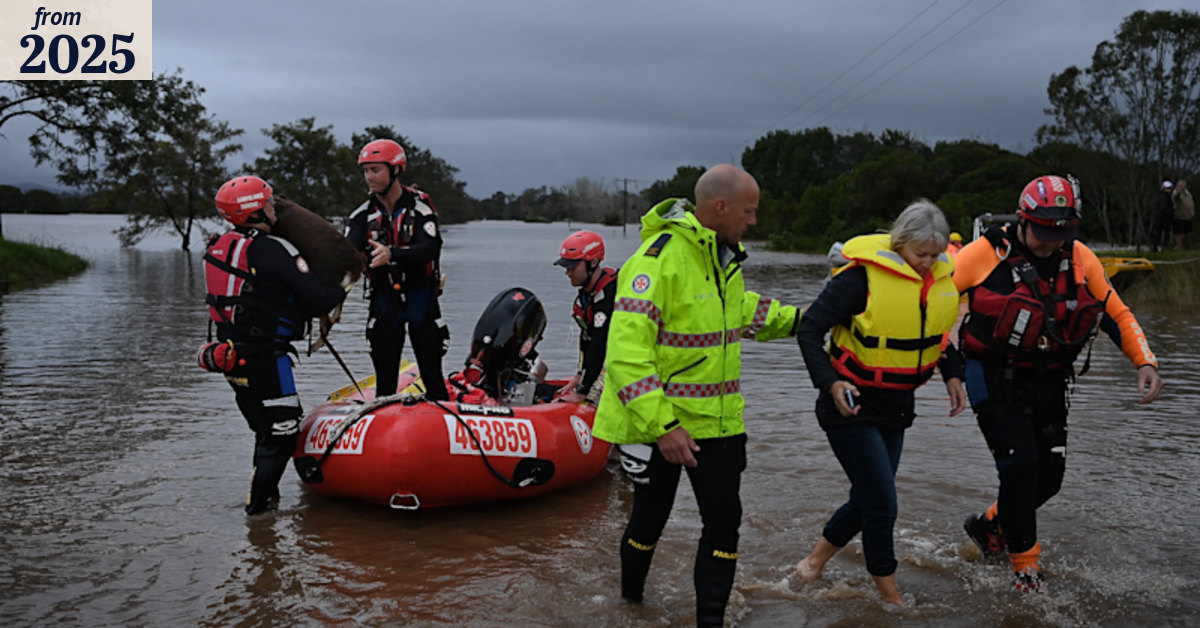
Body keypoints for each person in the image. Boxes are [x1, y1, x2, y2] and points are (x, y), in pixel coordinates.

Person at [593, 164, 800, 627]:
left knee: (725, 525)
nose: (753, 222)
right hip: (658, 428)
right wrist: (664, 426)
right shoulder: (656, 260)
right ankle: (630, 608)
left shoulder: (724, 257)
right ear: (720, 207)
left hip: (718, 424)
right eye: (748, 212)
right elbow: (626, 356)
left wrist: (806, 320)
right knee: (649, 519)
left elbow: (741, 309)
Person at [954, 174, 1164, 593]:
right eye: (1045, 233)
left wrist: (1146, 362)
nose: (1053, 242)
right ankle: (1026, 571)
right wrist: (946, 369)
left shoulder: (1080, 257)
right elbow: (931, 302)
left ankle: (989, 526)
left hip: (1048, 382)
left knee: (1049, 478)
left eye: (1061, 233)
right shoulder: (982, 255)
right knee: (1021, 467)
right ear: (1022, 219)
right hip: (992, 377)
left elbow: (1116, 314)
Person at [793, 200, 966, 607]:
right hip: (848, 404)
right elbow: (809, 330)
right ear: (899, 244)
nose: (927, 263)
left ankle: (811, 565)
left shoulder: (937, 281)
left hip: (896, 407)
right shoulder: (858, 281)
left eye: (934, 255)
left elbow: (940, 337)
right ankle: (891, 597)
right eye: (919, 254)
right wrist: (830, 383)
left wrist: (953, 374)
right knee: (883, 503)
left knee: (868, 496)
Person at [200, 175, 349, 515]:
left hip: (232, 359)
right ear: (256, 211)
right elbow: (318, 300)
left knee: (265, 431)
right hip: (266, 358)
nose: (273, 207)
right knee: (282, 435)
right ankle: (258, 518)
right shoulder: (276, 249)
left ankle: (268, 503)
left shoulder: (218, 246)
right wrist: (345, 284)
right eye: (268, 202)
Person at [345, 138, 450, 401]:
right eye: (366, 170)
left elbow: (430, 247)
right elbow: (346, 257)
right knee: (385, 384)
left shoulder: (421, 208)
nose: (369, 177)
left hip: (421, 299)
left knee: (433, 376)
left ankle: (443, 424)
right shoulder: (360, 216)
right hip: (383, 302)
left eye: (375, 170)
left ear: (395, 170)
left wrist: (392, 253)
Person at [552, 230, 618, 404]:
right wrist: (580, 374)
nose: (568, 272)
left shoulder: (609, 296)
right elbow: (586, 339)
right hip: (604, 357)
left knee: (591, 399)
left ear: (593, 262)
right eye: (566, 266)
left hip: (620, 362)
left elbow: (599, 343)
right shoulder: (587, 296)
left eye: (572, 266)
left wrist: (583, 391)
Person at [1153, 179, 1174, 251]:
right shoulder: (1163, 196)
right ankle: (1158, 247)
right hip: (1162, 217)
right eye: (1168, 188)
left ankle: (1162, 247)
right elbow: (1163, 208)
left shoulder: (1167, 196)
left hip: (1165, 217)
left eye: (1170, 188)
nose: (1169, 189)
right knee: (1160, 233)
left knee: (1164, 233)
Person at [1173, 179, 1194, 250]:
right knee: (1179, 234)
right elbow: (1175, 198)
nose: (1183, 187)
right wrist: (1179, 191)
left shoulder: (1188, 193)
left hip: (1188, 216)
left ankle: (1185, 247)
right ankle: (1178, 247)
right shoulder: (1176, 192)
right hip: (1179, 216)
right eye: (1181, 185)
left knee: (1188, 233)